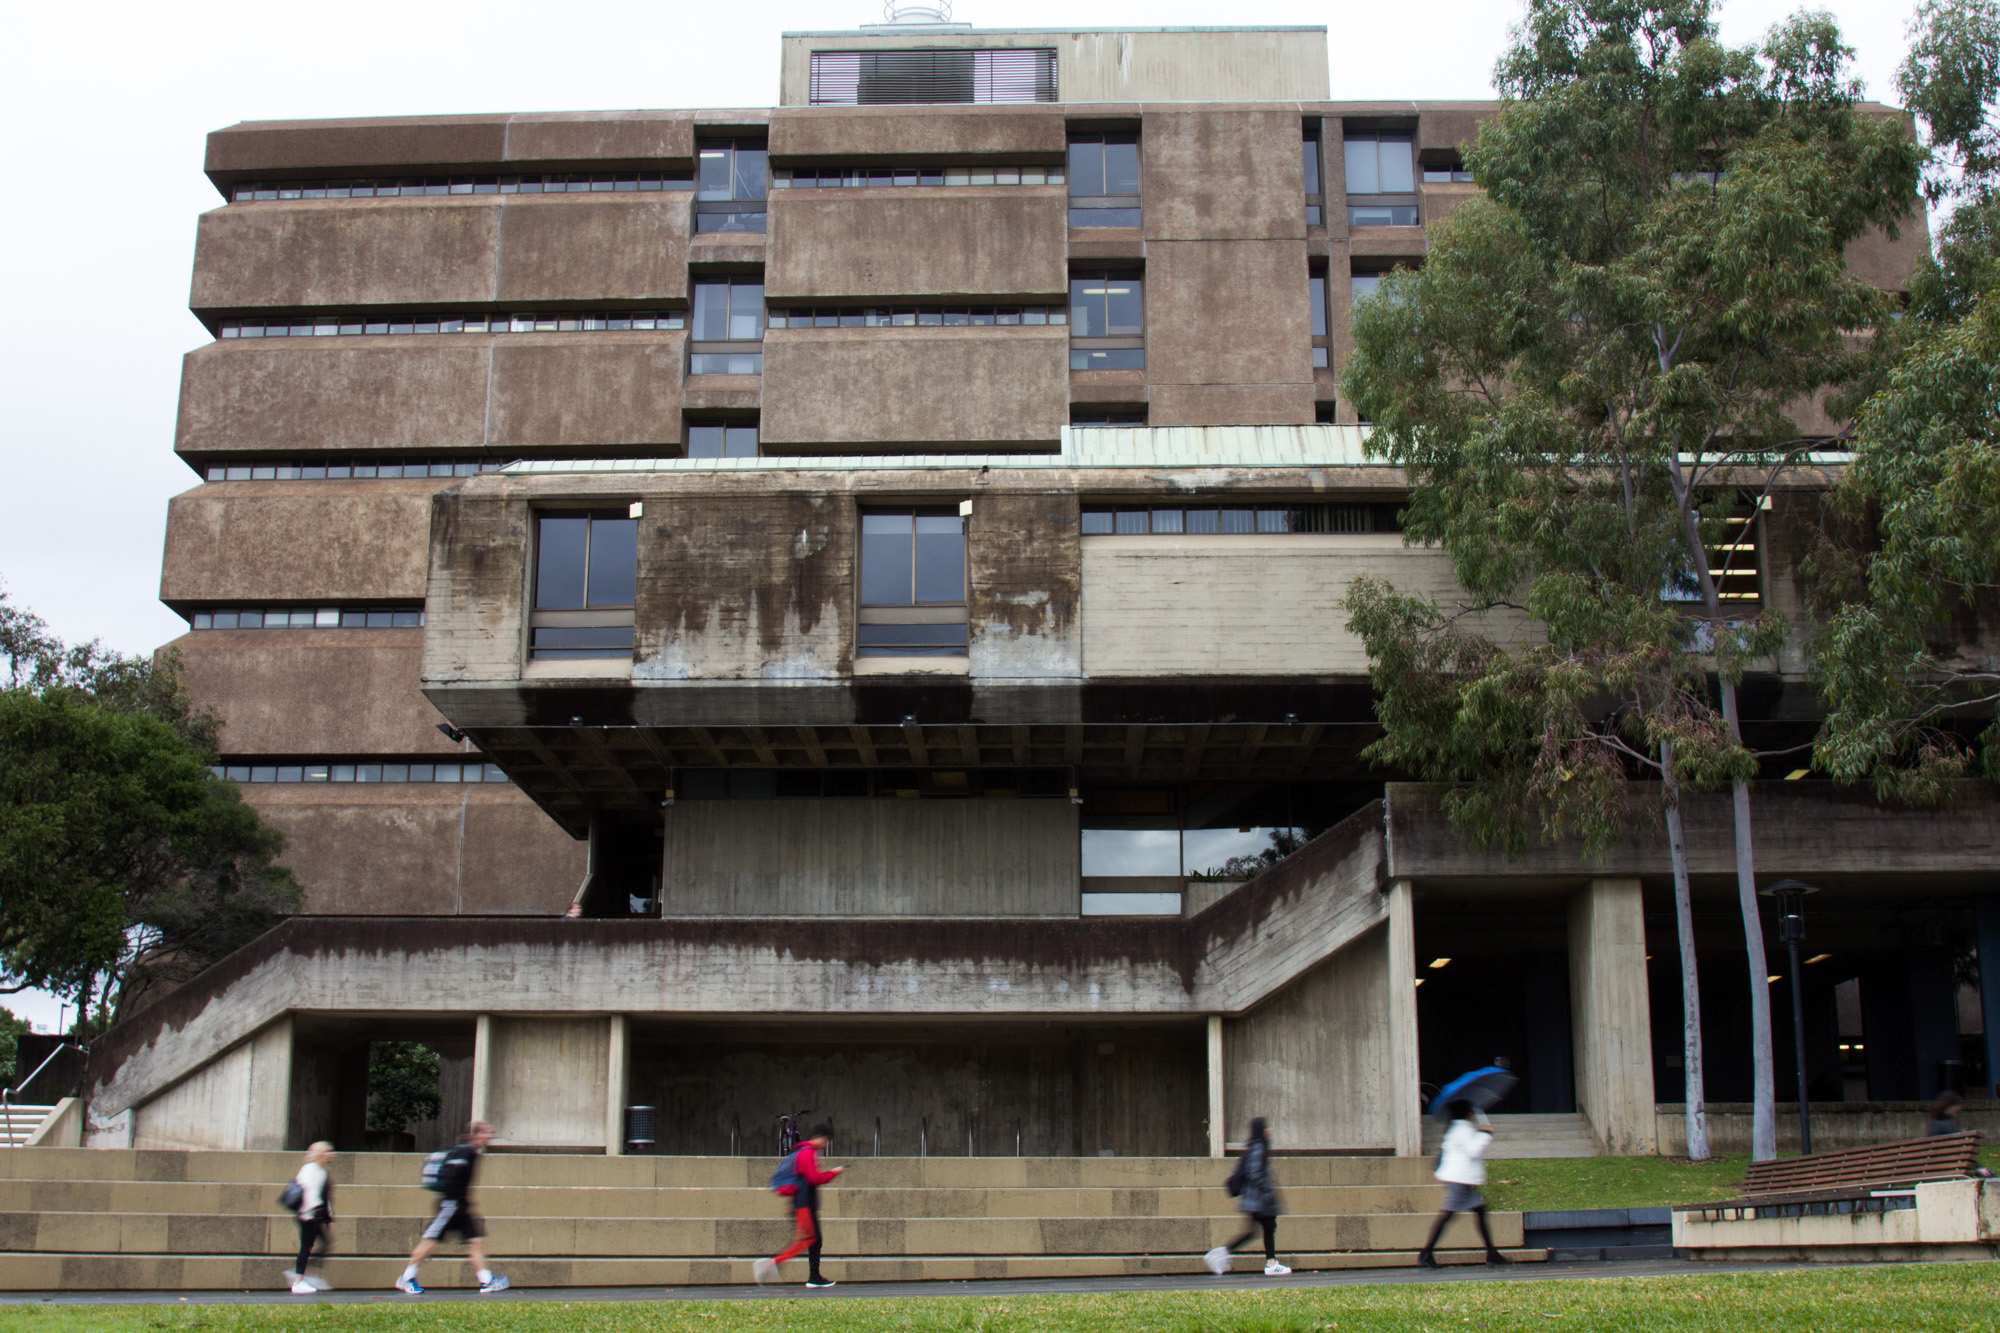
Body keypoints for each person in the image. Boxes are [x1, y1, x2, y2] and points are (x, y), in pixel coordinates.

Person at [397, 1120, 509, 1294]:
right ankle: (406, 1278)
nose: (490, 1136)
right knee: (430, 1241)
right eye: (487, 1132)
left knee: (475, 1242)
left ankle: (486, 1280)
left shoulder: (472, 1153)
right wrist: (454, 1200)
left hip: (461, 1207)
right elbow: (452, 1178)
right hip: (451, 1206)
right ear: (477, 1134)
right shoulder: (464, 1152)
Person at [752, 1122, 844, 1288]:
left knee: (814, 1240)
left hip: (806, 1204)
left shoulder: (806, 1152)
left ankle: (814, 1277)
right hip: (804, 1205)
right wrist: (833, 1173)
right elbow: (813, 1178)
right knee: (808, 1240)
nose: (826, 1145)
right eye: (826, 1141)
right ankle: (770, 1264)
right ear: (821, 1138)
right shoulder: (806, 1153)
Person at [1417, 1099, 1506, 1268]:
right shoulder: (1462, 1129)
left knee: (1479, 1210)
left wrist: (1481, 1133)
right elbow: (1473, 1150)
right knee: (1448, 1214)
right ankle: (1426, 1253)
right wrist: (1486, 1134)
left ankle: (1492, 1252)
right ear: (1467, 1113)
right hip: (1459, 1180)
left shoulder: (1457, 1128)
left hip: (1460, 1179)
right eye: (1471, 1111)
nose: (1473, 1113)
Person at [1204, 1117, 1291, 1277]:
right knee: (1264, 1229)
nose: (1269, 1131)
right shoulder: (1258, 1147)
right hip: (1259, 1201)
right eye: (1266, 1128)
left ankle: (1222, 1254)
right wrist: (1267, 1190)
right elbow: (1255, 1173)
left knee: (1262, 1229)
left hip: (1255, 1201)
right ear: (1261, 1130)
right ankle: (1269, 1263)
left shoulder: (1254, 1147)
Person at [284, 1141, 336, 1293]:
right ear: (321, 1154)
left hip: (315, 1215)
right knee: (306, 1247)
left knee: (324, 1243)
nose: (332, 1154)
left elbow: (324, 1195)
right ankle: (298, 1279)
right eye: (328, 1151)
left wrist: (328, 1214)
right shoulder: (309, 1169)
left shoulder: (322, 1171)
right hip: (308, 1215)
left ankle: (306, 1274)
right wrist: (309, 1213)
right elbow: (308, 1192)